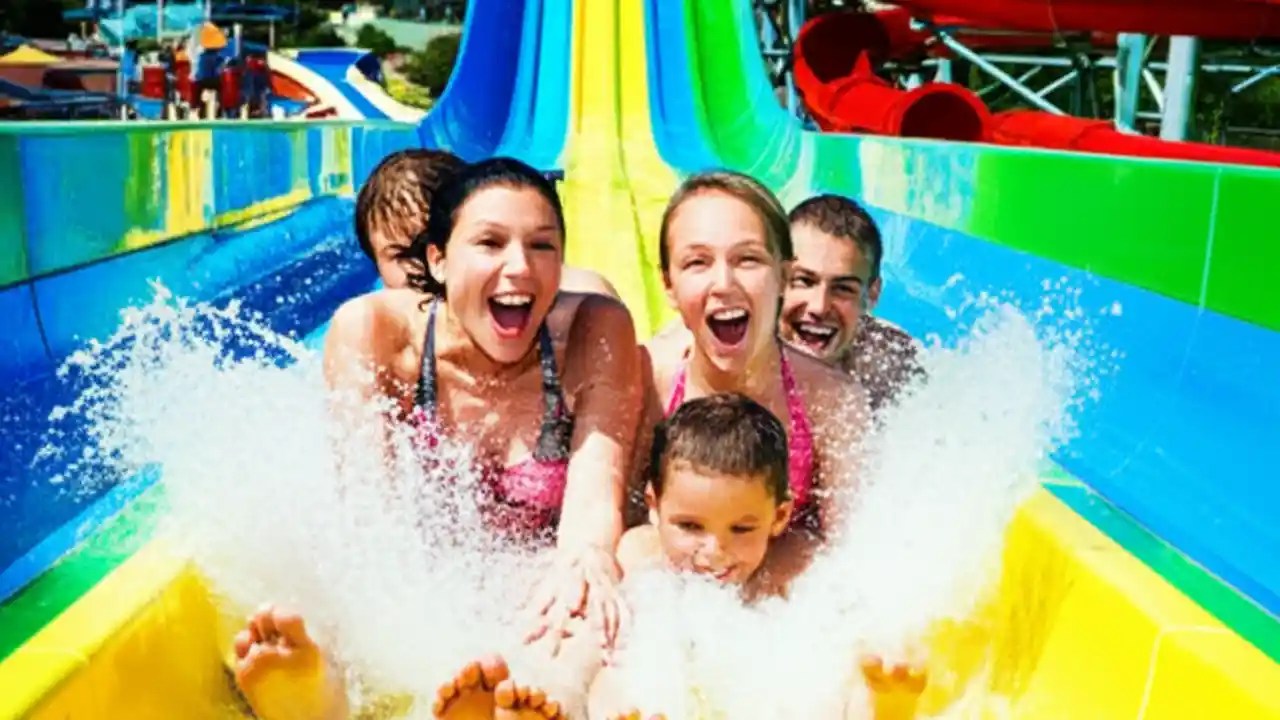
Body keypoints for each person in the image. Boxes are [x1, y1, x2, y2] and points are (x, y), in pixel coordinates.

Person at [233, 157, 644, 720]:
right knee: (336, 578)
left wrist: (585, 560)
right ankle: (318, 696)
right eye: (490, 243)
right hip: (425, 571)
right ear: (439, 260)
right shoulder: (374, 332)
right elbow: (370, 520)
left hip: (533, 572)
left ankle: (549, 699)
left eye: (542, 246)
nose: (519, 266)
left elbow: (597, 493)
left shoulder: (593, 329)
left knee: (595, 588)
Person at [592, 394, 924, 720]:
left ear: (779, 517)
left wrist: (885, 646)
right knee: (612, 668)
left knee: (838, 672)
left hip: (761, 698)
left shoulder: (794, 563)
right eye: (690, 526)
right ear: (654, 506)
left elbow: (847, 614)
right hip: (665, 695)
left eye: (741, 529)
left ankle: (887, 710)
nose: (713, 552)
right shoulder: (637, 554)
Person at [639, 170, 870, 537]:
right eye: (697, 262)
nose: (724, 284)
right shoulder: (649, 385)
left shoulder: (831, 403)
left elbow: (852, 555)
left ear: (783, 277)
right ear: (668, 284)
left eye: (747, 260)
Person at [356, 149, 621, 299]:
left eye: (429, 243)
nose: (420, 268)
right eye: (399, 255)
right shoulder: (375, 332)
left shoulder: (579, 297)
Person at [780, 194, 923, 412]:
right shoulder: (737, 352)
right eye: (804, 281)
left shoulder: (891, 368)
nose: (819, 307)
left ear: (872, 295)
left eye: (843, 288)